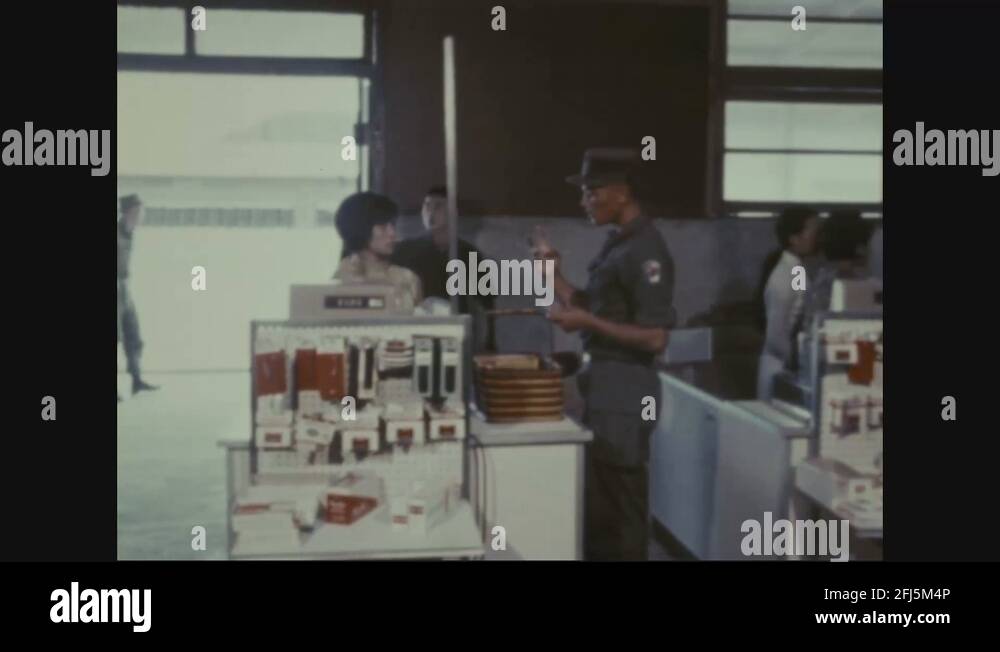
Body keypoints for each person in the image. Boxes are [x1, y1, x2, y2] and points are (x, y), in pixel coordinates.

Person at [534, 148, 676, 561]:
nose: (584, 202)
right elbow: (591, 306)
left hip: (629, 391)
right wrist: (552, 274)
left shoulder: (646, 251)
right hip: (607, 386)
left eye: (592, 192)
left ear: (622, 192)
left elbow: (655, 338)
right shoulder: (619, 245)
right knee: (600, 507)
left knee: (620, 509)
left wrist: (587, 325)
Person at [391, 186, 495, 316]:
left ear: (453, 212)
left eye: (438, 206)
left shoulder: (468, 254)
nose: (431, 212)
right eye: (427, 206)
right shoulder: (404, 250)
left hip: (456, 326)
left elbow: (486, 304)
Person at [756, 207, 820, 401]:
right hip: (779, 366)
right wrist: (796, 362)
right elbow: (776, 333)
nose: (817, 236)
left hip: (789, 364)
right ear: (794, 238)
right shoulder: (785, 274)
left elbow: (801, 304)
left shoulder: (797, 270)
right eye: (812, 230)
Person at [332, 192, 422, 307]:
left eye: (393, 225)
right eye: (382, 226)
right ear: (361, 228)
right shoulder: (342, 277)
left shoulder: (408, 278)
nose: (392, 233)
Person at [117, 194, 159, 401]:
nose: (143, 215)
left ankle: (136, 380)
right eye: (139, 211)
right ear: (128, 212)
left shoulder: (129, 233)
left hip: (124, 288)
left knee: (134, 337)